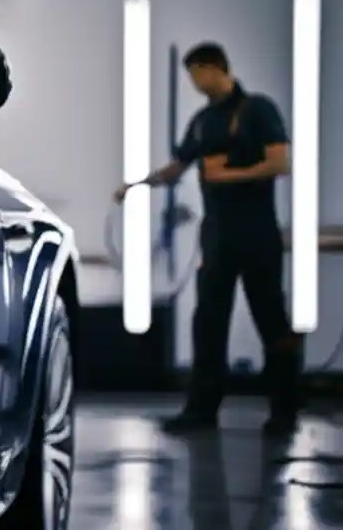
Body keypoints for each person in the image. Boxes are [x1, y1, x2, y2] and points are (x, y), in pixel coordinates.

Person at [113, 42, 301, 436]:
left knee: (271, 318)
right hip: (218, 235)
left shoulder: (258, 110)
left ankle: (284, 412)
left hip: (258, 232)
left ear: (214, 67)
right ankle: (201, 410)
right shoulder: (203, 121)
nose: (194, 83)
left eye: (197, 73)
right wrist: (136, 185)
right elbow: (178, 168)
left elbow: (280, 162)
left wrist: (227, 174)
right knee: (208, 322)